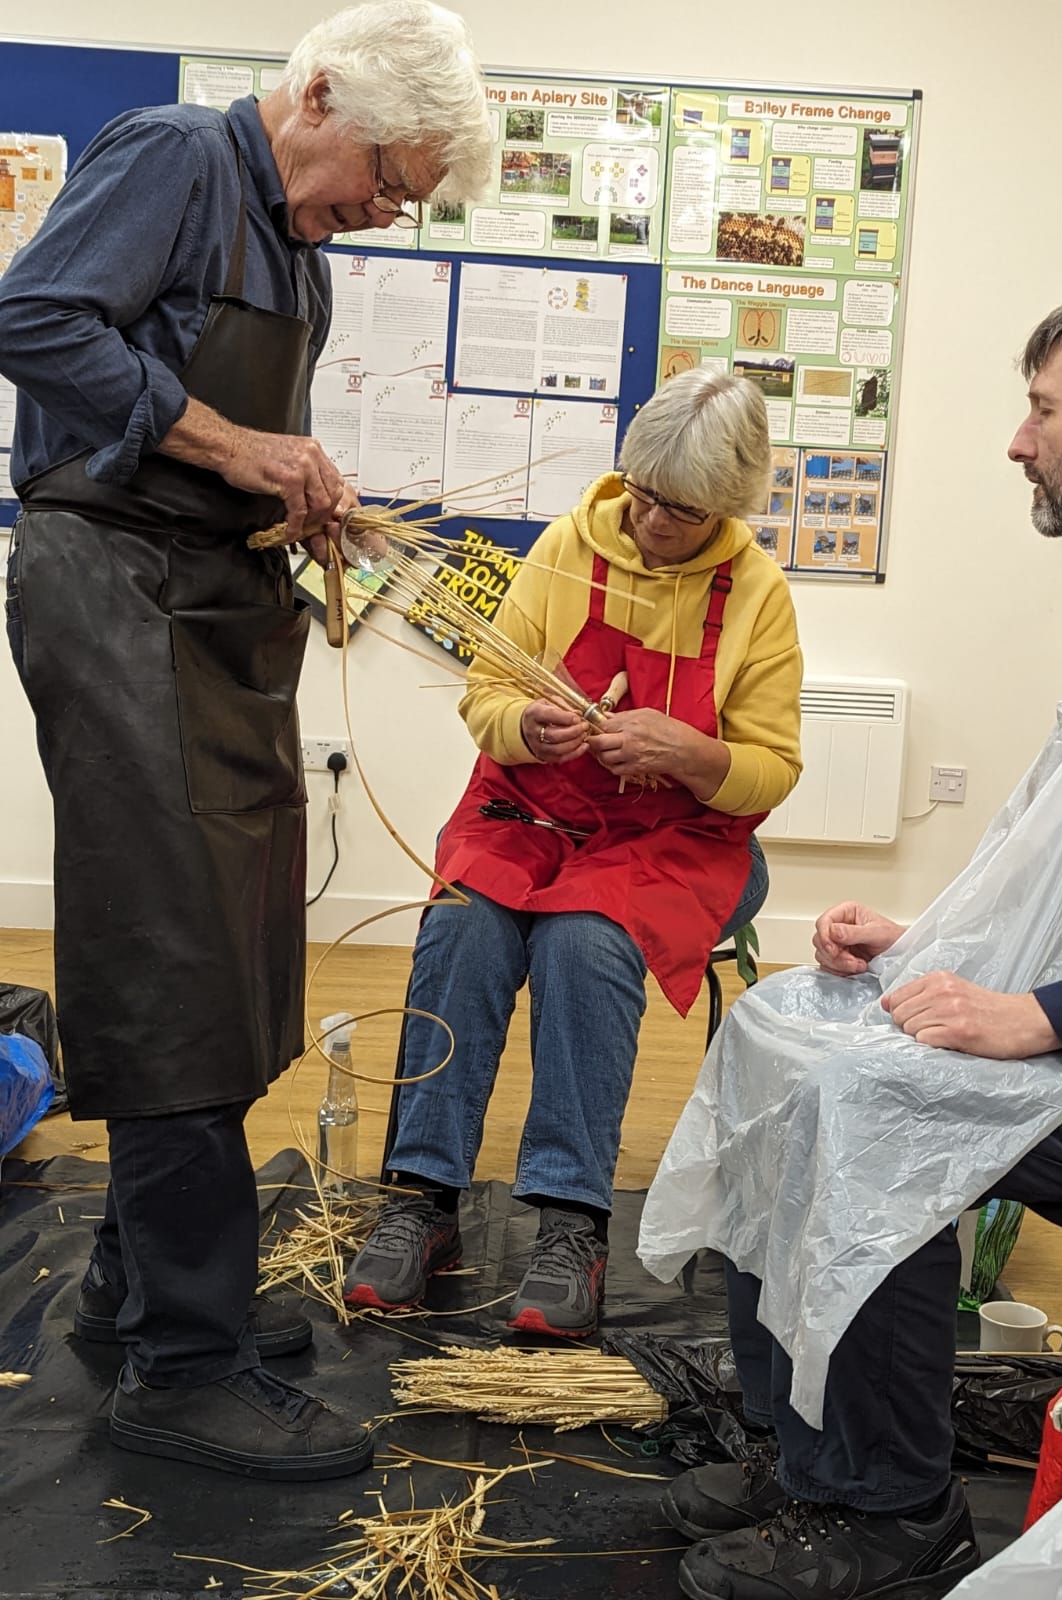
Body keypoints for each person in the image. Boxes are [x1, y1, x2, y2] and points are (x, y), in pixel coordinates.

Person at [0, 1, 490, 1480]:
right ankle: (184, 1365)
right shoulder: (174, 157)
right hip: (110, 582)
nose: (382, 212)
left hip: (211, 598)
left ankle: (142, 1287)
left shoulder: (296, 250)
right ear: (320, 93)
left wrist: (284, 497)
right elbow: (29, 319)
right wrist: (231, 447)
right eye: (386, 179)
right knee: (170, 956)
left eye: (406, 198)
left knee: (243, 945)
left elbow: (220, 426)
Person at [663, 278, 1062, 1599]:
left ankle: (888, 1516)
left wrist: (1042, 1016)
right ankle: (799, 1440)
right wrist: (931, 942)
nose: (1021, 441)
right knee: (777, 1032)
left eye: (1042, 408)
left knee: (874, 1099)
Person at [344, 369, 803, 1335]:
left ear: (724, 506)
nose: (646, 522)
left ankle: (570, 1217)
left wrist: (695, 753)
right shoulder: (566, 547)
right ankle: (420, 1198)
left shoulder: (757, 594)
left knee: (584, 944)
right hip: (528, 810)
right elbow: (484, 701)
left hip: (668, 835)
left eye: (676, 511)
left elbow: (773, 771)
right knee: (463, 928)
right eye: (638, 494)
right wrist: (527, 726)